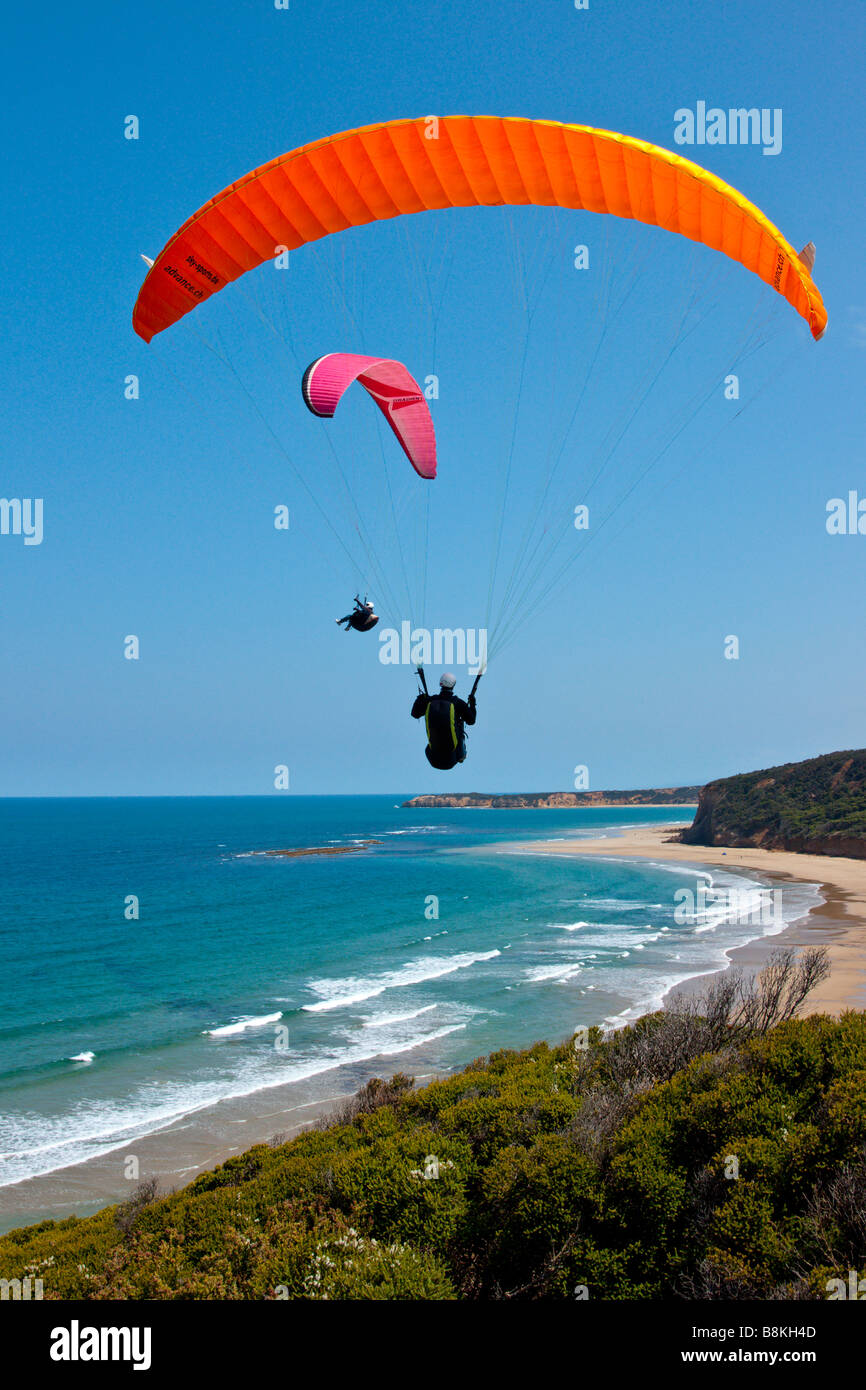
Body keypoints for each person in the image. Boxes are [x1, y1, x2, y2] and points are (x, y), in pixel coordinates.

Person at [411, 671, 477, 770]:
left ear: (440, 684)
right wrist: (472, 704)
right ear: (453, 685)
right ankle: (460, 754)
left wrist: (419, 699)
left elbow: (415, 714)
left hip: (433, 759)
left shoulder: (430, 701)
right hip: (452, 759)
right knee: (459, 723)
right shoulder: (458, 704)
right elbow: (471, 721)